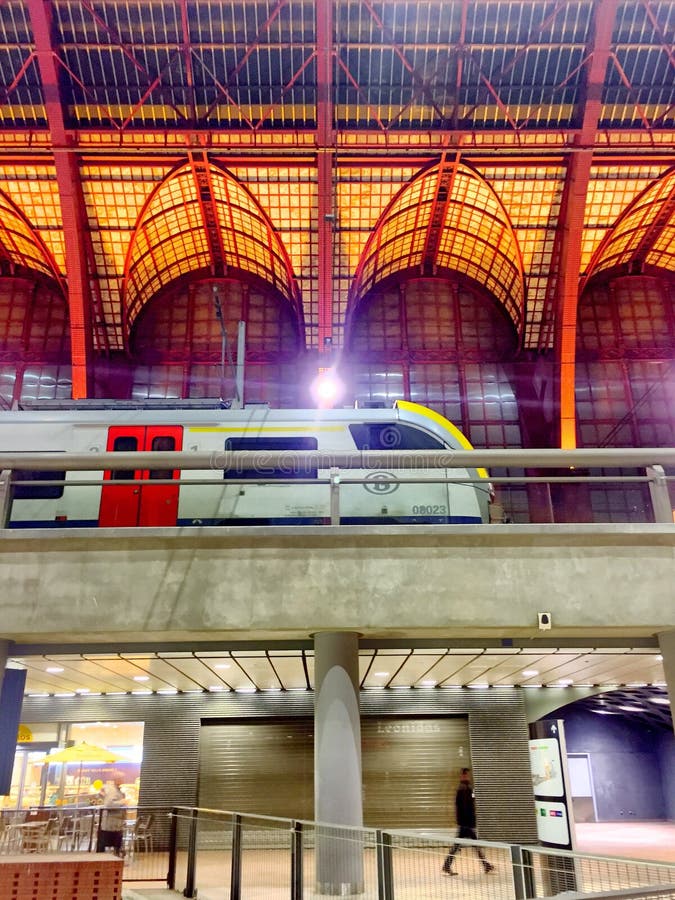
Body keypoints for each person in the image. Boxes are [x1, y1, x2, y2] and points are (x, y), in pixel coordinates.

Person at [442, 768, 494, 875]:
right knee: (471, 845)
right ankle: (485, 865)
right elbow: (462, 807)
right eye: (465, 775)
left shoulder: (469, 788)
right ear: (462, 776)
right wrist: (465, 823)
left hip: (466, 823)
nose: (467, 777)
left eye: (467, 775)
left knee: (465, 846)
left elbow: (471, 805)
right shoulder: (462, 789)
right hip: (466, 824)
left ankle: (485, 865)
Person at [96, 779, 127, 856]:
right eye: (121, 778)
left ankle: (115, 858)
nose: (123, 780)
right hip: (111, 824)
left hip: (116, 824)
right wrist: (122, 802)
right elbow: (109, 804)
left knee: (115, 844)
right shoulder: (112, 791)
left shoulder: (116, 790)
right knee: (109, 844)